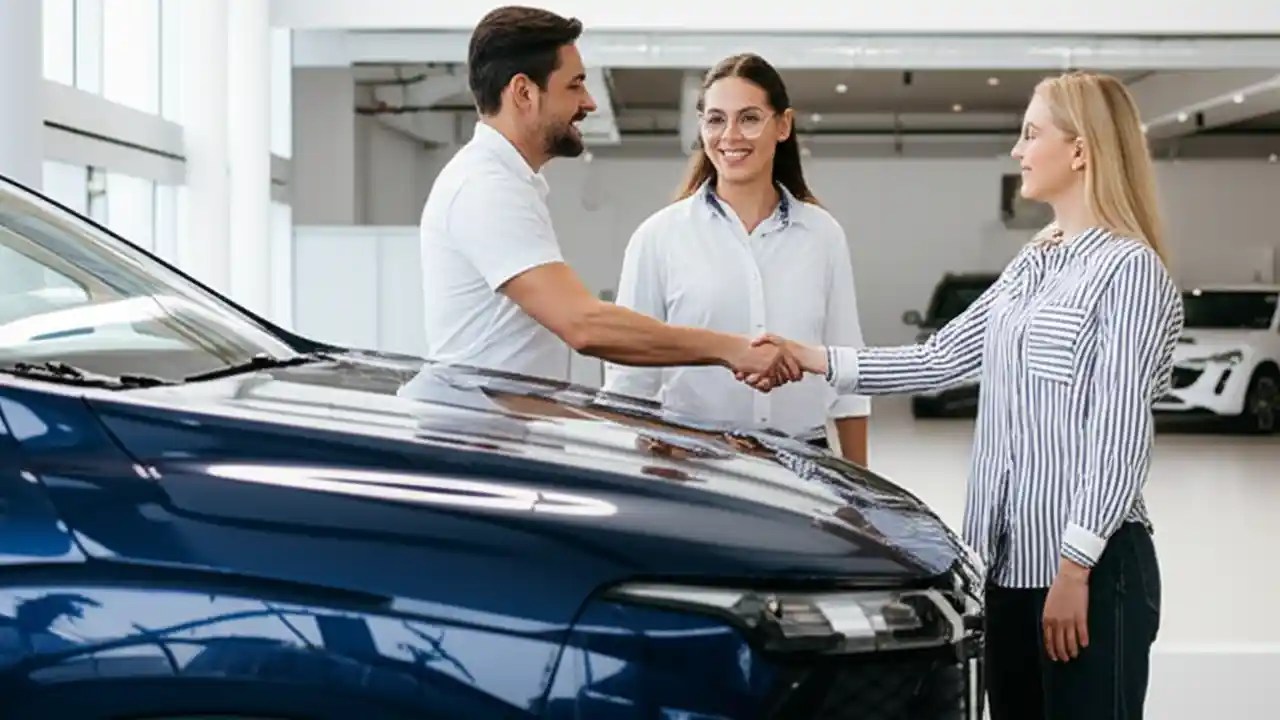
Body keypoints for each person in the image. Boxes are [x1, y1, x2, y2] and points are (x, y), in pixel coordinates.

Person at [750, 71, 1183, 719]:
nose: (1018, 150)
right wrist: (810, 357)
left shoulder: (1128, 271)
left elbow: (1118, 435)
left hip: (1089, 571)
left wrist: (1075, 571)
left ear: (1082, 150)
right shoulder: (1036, 261)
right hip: (1007, 569)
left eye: (1031, 133)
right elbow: (941, 357)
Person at [412, 6, 798, 392]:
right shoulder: (485, 188)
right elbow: (584, 325)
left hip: (500, 434)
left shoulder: (507, 182)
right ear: (524, 93)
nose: (589, 103)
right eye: (575, 85)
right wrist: (731, 348)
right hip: (476, 442)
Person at [601, 53, 871, 464]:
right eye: (715, 119)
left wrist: (861, 493)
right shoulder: (659, 236)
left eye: (749, 118)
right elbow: (629, 375)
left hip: (805, 462)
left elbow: (847, 368)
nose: (730, 135)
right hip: (694, 464)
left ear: (783, 125)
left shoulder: (822, 235)